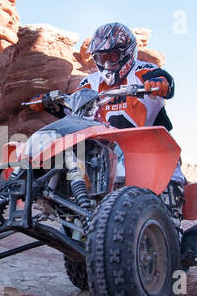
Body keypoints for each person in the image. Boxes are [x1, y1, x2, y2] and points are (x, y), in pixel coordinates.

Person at [30, 22, 186, 219]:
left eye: (112, 56)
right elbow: (75, 110)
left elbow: (164, 79)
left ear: (127, 52)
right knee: (70, 150)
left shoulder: (143, 70)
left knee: (168, 183)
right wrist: (52, 105)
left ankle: (173, 223)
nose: (107, 63)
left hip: (147, 149)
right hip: (105, 153)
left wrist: (160, 83)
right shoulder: (91, 82)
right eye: (101, 57)